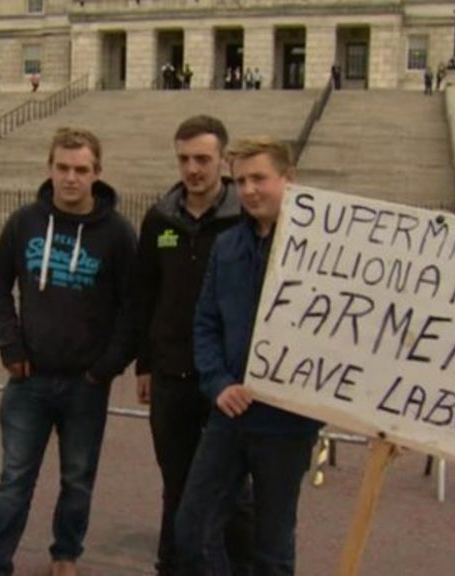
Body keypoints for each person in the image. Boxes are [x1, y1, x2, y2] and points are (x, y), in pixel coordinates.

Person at [0, 127, 137, 576]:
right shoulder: (25, 221)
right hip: (28, 377)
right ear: (49, 169)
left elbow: (132, 308)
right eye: (62, 168)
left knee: (77, 479)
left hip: (87, 383)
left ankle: (66, 554)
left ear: (97, 173)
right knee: (13, 479)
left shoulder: (119, 234)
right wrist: (9, 345)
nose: (70, 178)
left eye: (81, 170)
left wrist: (107, 366)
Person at [175, 137, 322, 576]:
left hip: (288, 420)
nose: (249, 190)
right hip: (231, 413)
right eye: (240, 181)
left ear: (288, 179)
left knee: (272, 546)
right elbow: (205, 323)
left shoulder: (322, 250)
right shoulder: (227, 246)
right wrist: (218, 382)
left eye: (260, 178)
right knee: (193, 529)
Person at [135, 115, 252, 576]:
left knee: (235, 487)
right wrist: (144, 363)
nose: (193, 169)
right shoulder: (159, 218)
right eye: (184, 159)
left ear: (223, 160)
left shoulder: (245, 217)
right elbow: (144, 293)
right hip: (171, 374)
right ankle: (174, 565)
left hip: (227, 378)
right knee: (176, 483)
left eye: (203, 159)